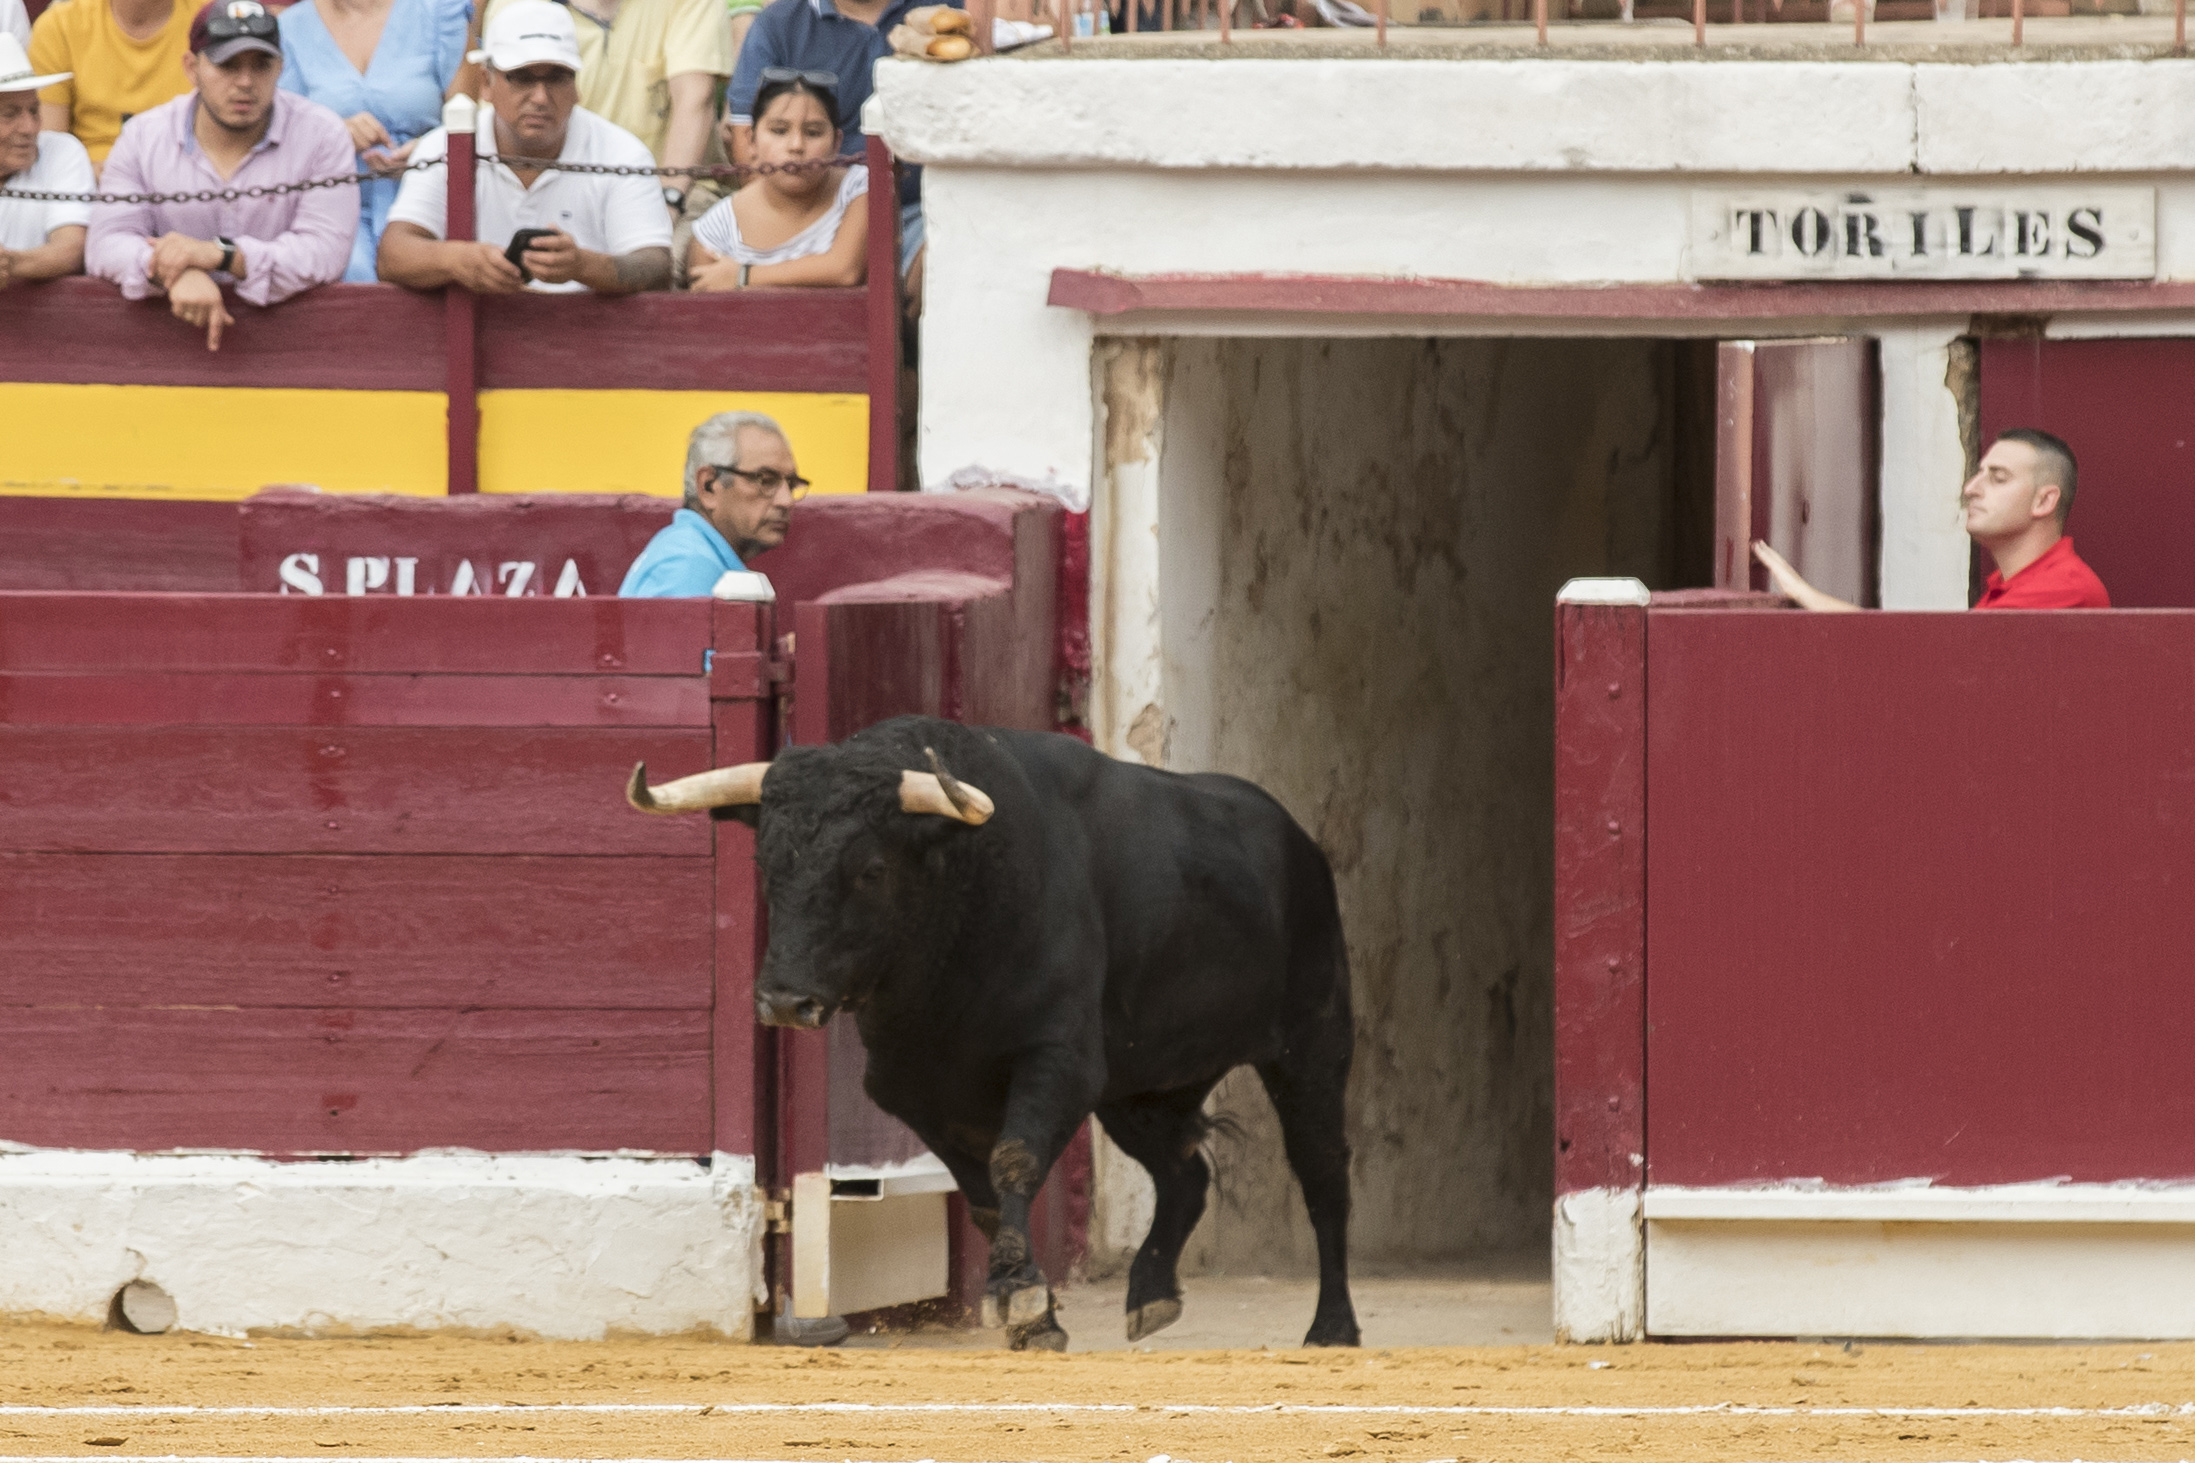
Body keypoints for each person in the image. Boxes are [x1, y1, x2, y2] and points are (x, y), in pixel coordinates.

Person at [85, 0, 358, 351]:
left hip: (297, 346)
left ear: (281, 67)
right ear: (191, 68)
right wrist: (176, 271)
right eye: (227, 65)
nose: (245, 82)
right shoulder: (143, 136)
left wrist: (221, 255)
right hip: (161, 347)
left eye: (261, 65)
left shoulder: (322, 133)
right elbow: (105, 244)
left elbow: (324, 252)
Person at [379, 0, 671, 296]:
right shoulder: (442, 147)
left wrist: (583, 265)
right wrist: (459, 260)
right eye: (522, 77)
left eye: (556, 77)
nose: (541, 97)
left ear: (576, 86)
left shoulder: (622, 153)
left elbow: (656, 266)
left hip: (593, 339)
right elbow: (393, 255)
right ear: (486, 83)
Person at [1755, 428, 2110, 612]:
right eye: (1979, 474)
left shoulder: (2065, 587)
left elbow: (1936, 652)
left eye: (1998, 478)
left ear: (2044, 500)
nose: (1972, 488)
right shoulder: (2012, 586)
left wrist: (1807, 595)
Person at [722, 0, 953, 276]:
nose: (795, 144)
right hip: (812, 220)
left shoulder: (947, 14)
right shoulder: (779, 24)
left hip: (924, 212)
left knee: (949, 261)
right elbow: (751, 160)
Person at [470, 0, 728, 219]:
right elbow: (501, 119)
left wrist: (668, 203)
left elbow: (695, 98)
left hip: (674, 192)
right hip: (547, 190)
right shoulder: (513, 6)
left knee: (668, 265)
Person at [276, 0, 471, 282]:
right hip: (334, 204)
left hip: (430, 195)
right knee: (348, 283)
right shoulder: (289, 27)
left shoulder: (440, 10)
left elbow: (466, 115)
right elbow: (282, 131)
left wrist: (426, 149)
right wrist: (334, 132)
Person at [687, 68, 864, 291]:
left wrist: (743, 275)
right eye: (779, 131)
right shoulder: (717, 230)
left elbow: (844, 270)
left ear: (836, 143)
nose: (796, 146)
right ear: (751, 140)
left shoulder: (859, 189)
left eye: (813, 132)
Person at [620, 410, 804, 596]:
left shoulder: (689, 553)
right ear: (709, 486)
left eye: (791, 484)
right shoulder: (690, 565)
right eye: (765, 480)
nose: (786, 501)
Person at [30, 0, 195, 167]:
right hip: (89, 180)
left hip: (189, 176)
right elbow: (49, 148)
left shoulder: (208, 17)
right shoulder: (60, 25)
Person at [0, 33, 92, 286]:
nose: (30, 127)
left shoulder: (63, 151)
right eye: (10, 114)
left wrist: (10, 263)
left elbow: (72, 249)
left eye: (33, 110)